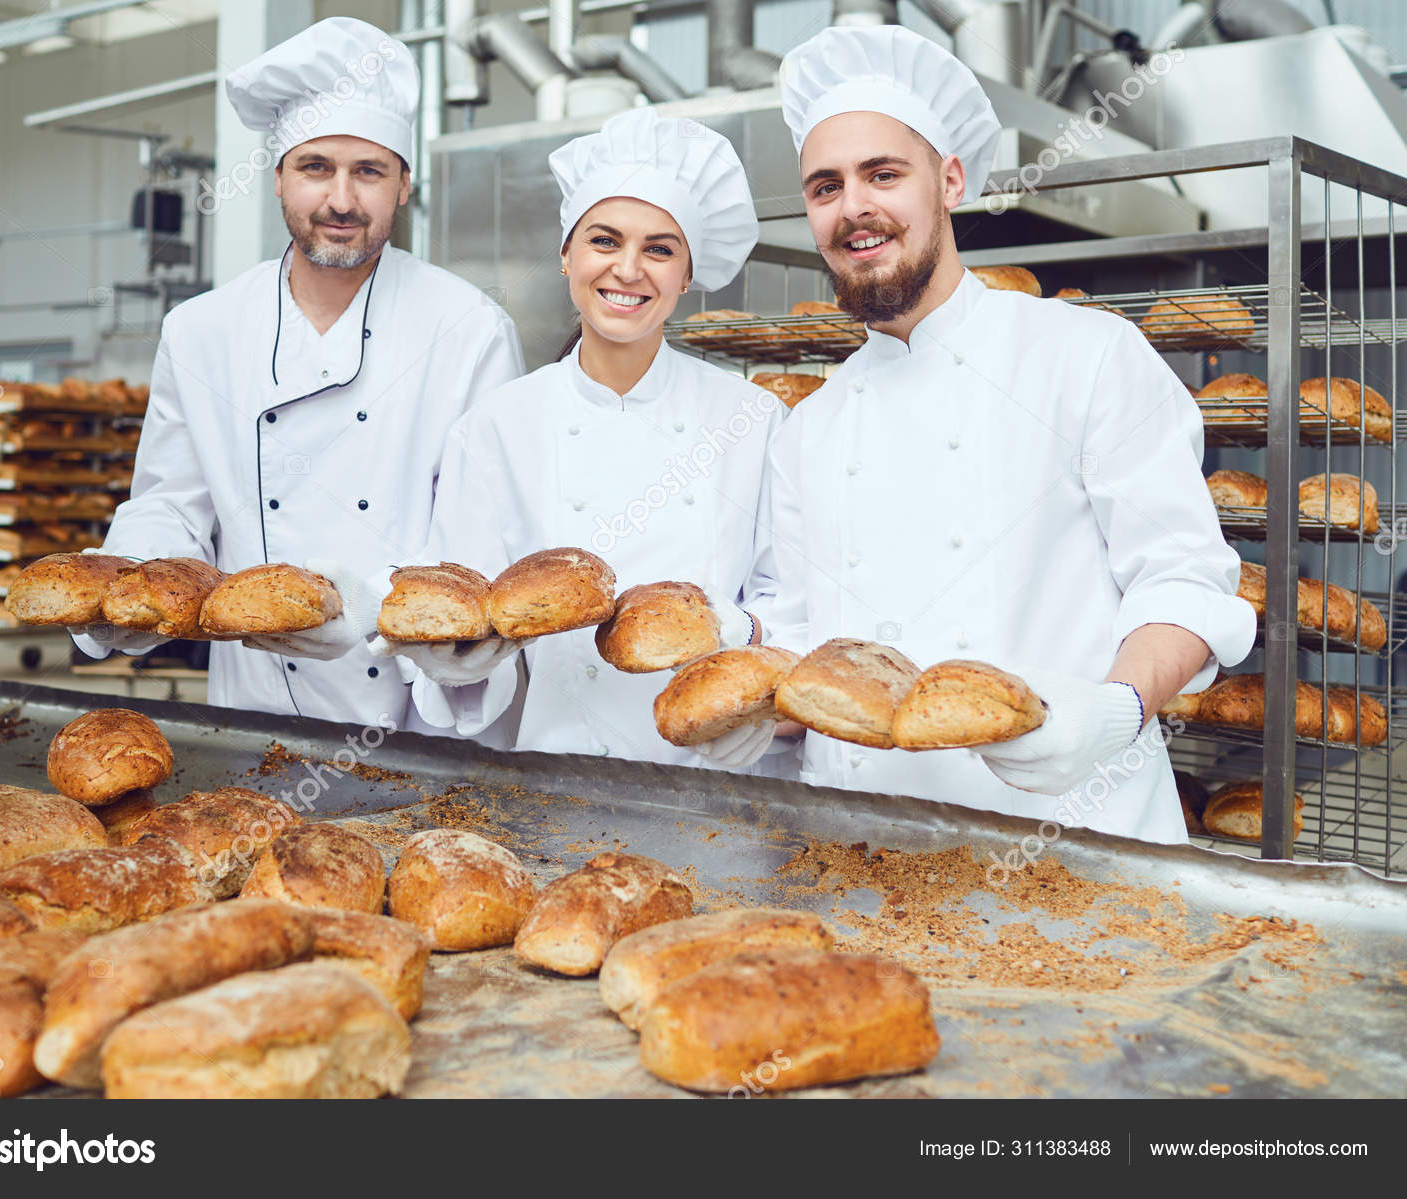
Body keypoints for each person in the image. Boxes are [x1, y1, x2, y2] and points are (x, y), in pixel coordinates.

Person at [735, 26, 1255, 841]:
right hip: (868, 850)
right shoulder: (811, 427)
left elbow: (1186, 580)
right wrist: (754, 716)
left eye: (883, 174)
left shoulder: (1086, 355)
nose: (853, 208)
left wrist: (1118, 710)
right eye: (825, 186)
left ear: (949, 181)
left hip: (1077, 838)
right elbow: (805, 647)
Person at [74, 18, 524, 729]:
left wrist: (368, 608)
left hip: (413, 718)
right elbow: (171, 504)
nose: (341, 200)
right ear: (278, 175)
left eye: (368, 171)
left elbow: (479, 543)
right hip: (249, 713)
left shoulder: (467, 330)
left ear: (404, 184)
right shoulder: (201, 331)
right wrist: (123, 585)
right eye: (316, 167)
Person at [322, 107, 784, 767]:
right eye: (604, 240)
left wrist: (749, 641)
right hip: (555, 785)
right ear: (566, 255)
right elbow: (472, 609)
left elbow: (789, 605)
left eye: (659, 248)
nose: (629, 269)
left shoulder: (753, 420)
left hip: (720, 785)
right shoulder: (496, 427)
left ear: (688, 275)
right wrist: (459, 663)